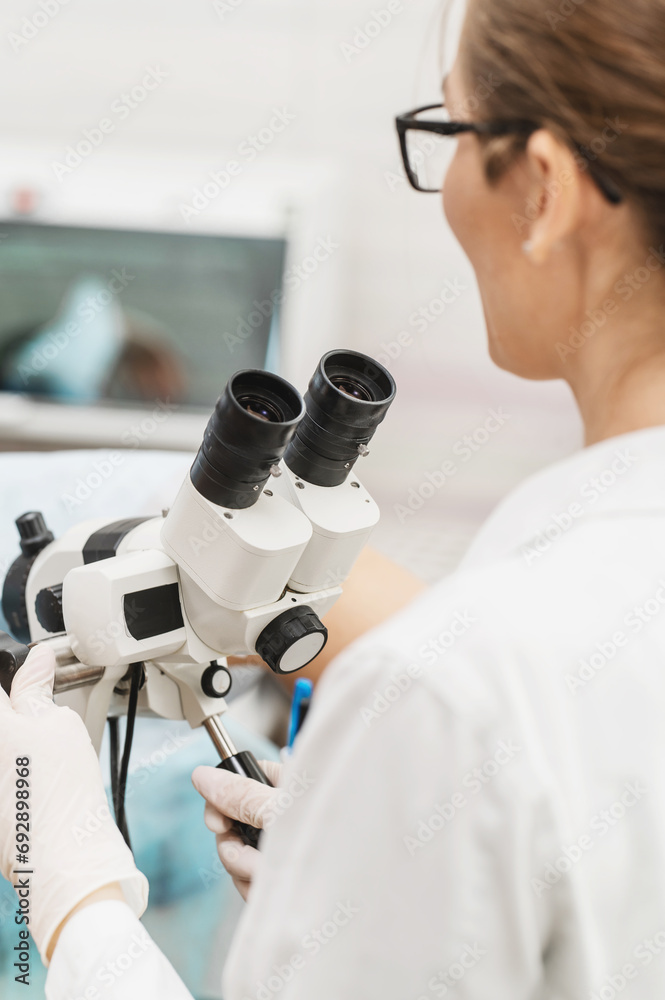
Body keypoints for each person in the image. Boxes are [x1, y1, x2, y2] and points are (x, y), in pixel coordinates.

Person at [4, 0, 665, 995]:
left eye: (444, 132)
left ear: (542, 189)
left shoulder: (453, 691)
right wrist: (357, 901)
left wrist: (75, 900)